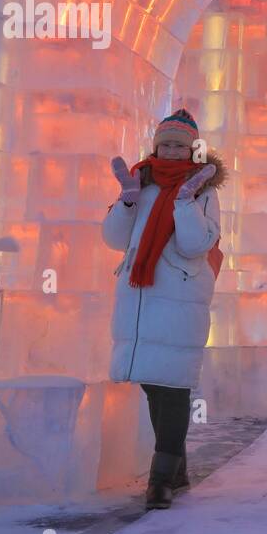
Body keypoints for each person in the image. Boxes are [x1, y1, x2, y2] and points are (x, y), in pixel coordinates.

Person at [102, 108, 225, 510]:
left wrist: (186, 203)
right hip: (140, 297)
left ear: (193, 149)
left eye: (179, 145)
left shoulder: (205, 189)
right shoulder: (141, 181)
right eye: (165, 144)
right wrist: (126, 202)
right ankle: (178, 468)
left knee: (172, 387)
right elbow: (115, 239)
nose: (171, 151)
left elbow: (196, 245)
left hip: (180, 296)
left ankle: (160, 481)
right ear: (155, 146)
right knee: (154, 385)